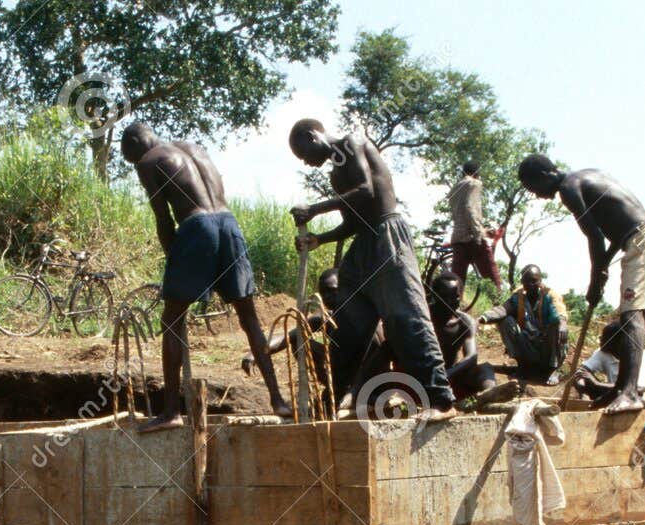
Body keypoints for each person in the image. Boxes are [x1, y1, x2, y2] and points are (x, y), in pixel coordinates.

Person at [121, 122, 289, 433]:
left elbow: (163, 217)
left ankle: (171, 411)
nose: (133, 164)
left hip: (196, 227)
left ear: (133, 144)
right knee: (249, 319)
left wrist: (174, 260)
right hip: (228, 223)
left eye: (128, 157)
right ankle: (278, 399)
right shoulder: (194, 148)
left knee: (172, 319)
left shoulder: (148, 160)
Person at [289, 119, 454, 421]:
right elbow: (352, 222)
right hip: (364, 243)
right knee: (349, 324)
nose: (306, 162)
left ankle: (441, 401)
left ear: (312, 135)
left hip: (388, 236)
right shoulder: (337, 174)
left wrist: (314, 209)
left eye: (303, 153)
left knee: (406, 317)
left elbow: (366, 190)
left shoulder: (352, 142)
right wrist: (319, 239)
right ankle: (328, 404)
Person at [517, 155, 645, 412]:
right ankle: (620, 390)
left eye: (534, 189)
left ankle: (630, 393)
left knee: (631, 315)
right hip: (635, 240)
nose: (539, 196)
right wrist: (603, 267)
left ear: (544, 176)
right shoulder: (584, 175)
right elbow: (617, 232)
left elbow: (594, 237)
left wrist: (594, 278)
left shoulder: (567, 188)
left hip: (642, 241)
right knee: (629, 313)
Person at [243, 267, 340, 411]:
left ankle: (346, 389)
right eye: (324, 293)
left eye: (332, 290)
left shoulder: (361, 312)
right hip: (338, 367)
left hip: (363, 373)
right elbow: (290, 335)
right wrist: (256, 353)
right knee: (299, 342)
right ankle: (335, 386)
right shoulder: (324, 317)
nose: (327, 297)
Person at [482, 264, 568, 382]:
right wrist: (483, 318)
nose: (531, 284)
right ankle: (523, 366)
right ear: (522, 282)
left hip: (547, 347)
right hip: (528, 345)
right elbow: (503, 309)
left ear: (540, 281)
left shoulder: (549, 295)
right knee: (505, 321)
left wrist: (563, 324)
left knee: (557, 324)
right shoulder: (518, 296)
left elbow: (560, 312)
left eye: (534, 281)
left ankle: (551, 369)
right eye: (527, 281)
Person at [427, 271, 496, 399]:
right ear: (434, 296)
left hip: (451, 376)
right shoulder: (423, 317)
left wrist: (446, 375)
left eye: (455, 297)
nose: (450, 301)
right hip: (421, 377)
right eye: (444, 296)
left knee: (485, 369)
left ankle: (491, 397)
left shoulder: (465, 322)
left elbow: (471, 357)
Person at [573, 316, 645, 409]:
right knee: (584, 379)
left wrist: (597, 384)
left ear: (621, 343)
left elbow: (639, 389)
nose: (601, 342)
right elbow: (580, 372)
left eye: (606, 340)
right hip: (614, 396)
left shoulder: (639, 355)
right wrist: (583, 390)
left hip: (638, 401)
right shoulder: (604, 352)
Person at [447, 160, 502, 291]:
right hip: (472, 237)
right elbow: (470, 208)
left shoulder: (455, 188)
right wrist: (479, 235)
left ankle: (451, 309)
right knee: (492, 279)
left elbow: (457, 214)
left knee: (456, 283)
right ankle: (501, 307)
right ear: (477, 173)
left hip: (457, 238)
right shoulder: (474, 183)